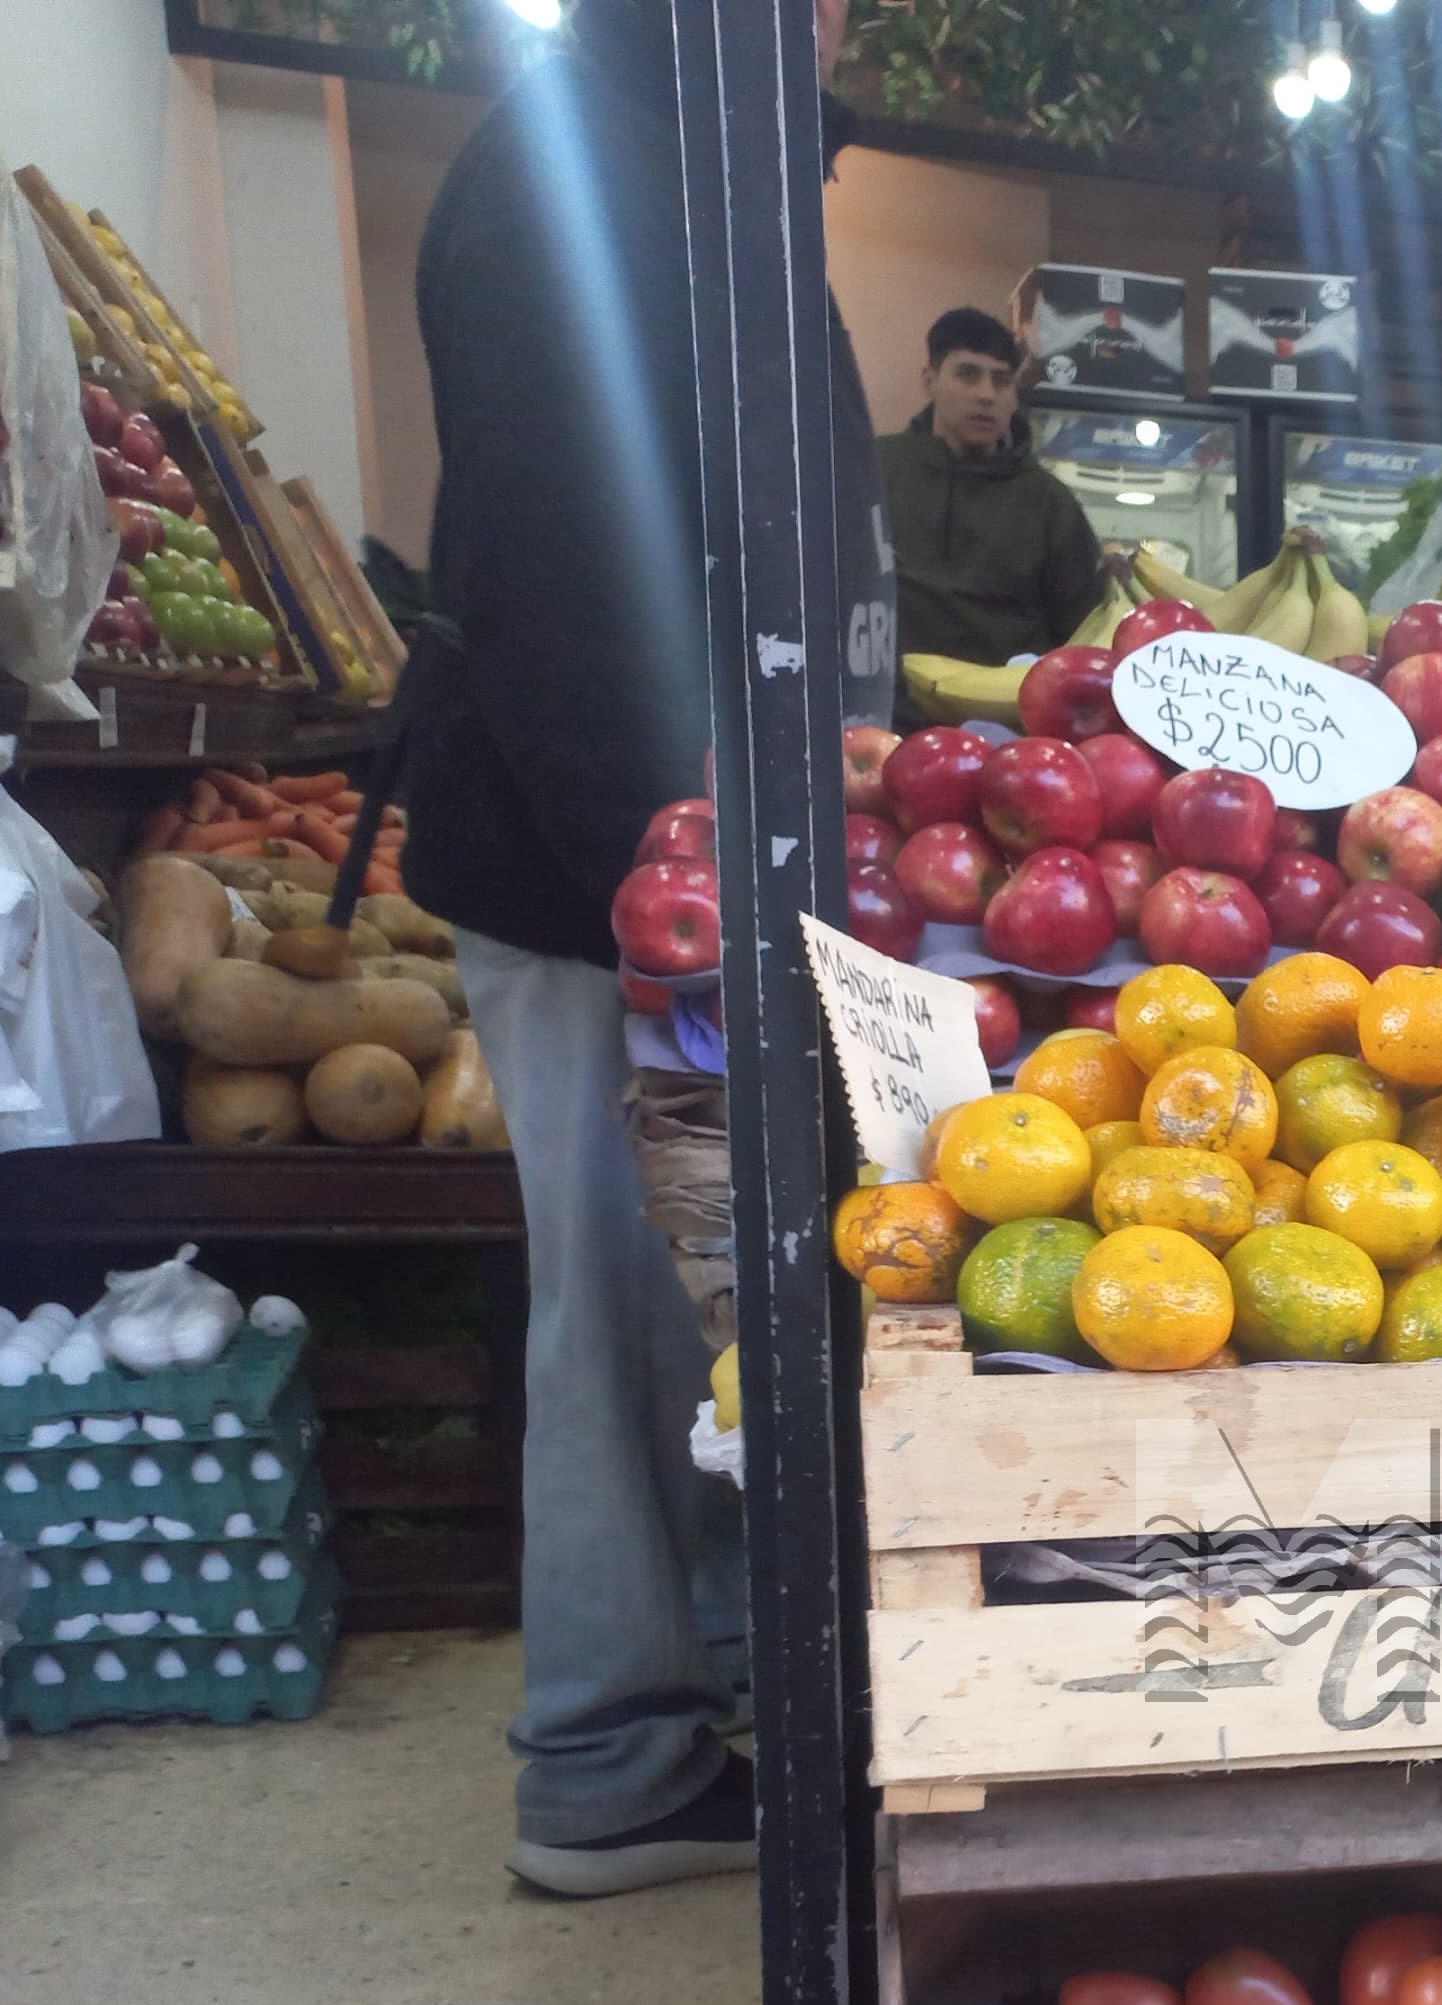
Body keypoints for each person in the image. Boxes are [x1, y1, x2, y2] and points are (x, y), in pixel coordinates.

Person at [399, 0, 894, 1897]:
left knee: (709, 1303)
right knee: (617, 1309)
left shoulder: (696, 149)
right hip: (610, 875)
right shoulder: (569, 171)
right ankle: (602, 1760)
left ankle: (714, 1696)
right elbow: (557, 567)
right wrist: (677, 883)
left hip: (696, 861)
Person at [881, 307, 1108, 700]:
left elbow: (1082, 633)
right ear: (929, 381)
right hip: (882, 717)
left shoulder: (1048, 502)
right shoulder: (871, 472)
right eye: (967, 375)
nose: (986, 394)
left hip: (1006, 724)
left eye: (1001, 381)